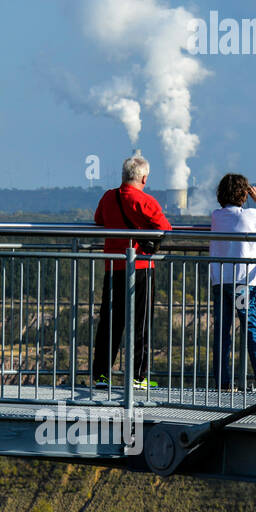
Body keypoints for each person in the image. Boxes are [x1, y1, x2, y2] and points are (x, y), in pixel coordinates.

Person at [91, 154, 171, 389]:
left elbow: (99, 220)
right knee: (140, 323)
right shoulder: (145, 201)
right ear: (144, 178)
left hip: (113, 266)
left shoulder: (108, 197)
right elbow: (164, 228)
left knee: (110, 322)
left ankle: (101, 376)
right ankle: (138, 377)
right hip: (141, 268)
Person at [209, 174, 256, 392]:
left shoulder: (216, 216)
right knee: (251, 330)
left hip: (220, 281)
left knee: (222, 333)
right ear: (244, 194)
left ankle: (222, 382)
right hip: (243, 284)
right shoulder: (250, 215)